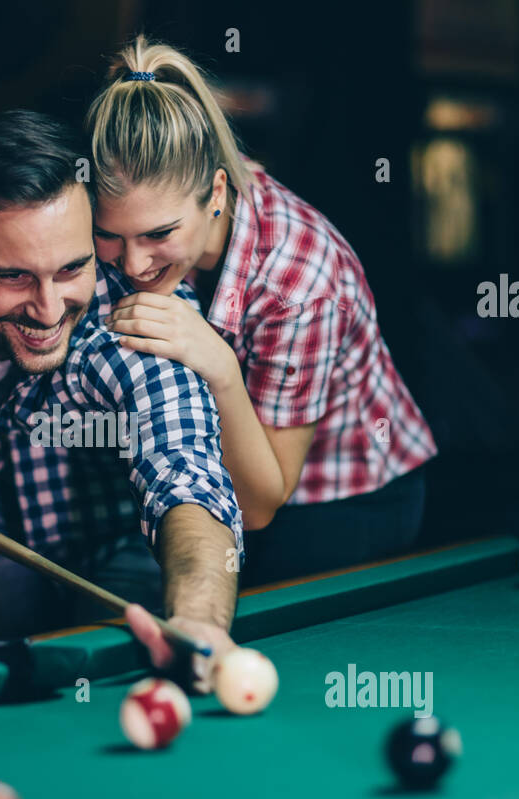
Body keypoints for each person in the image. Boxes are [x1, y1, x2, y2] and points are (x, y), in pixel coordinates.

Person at [0, 109, 242, 670]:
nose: (49, 309)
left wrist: (199, 622)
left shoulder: (138, 326)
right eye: (14, 276)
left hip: (122, 526)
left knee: (119, 676)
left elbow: (188, 476)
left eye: (71, 269)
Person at [85, 37, 437, 588]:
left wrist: (218, 364)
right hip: (231, 478)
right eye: (109, 235)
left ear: (216, 192)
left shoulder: (300, 281)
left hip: (344, 498)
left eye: (159, 234)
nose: (132, 264)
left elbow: (261, 503)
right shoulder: (173, 176)